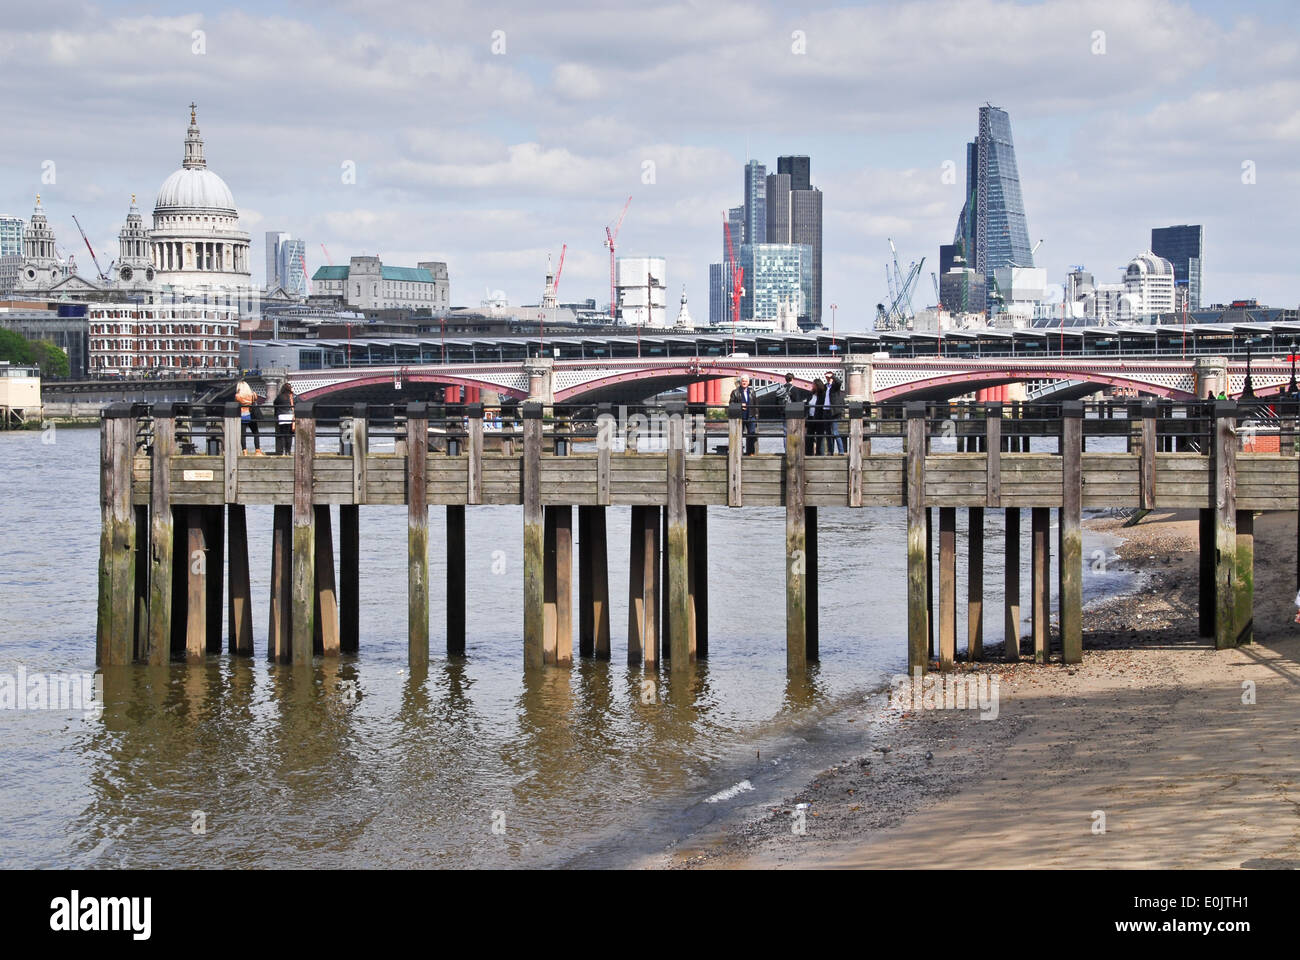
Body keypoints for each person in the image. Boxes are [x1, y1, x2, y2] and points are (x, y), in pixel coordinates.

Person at [729, 375, 759, 455]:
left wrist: (756, 417)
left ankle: (750, 452)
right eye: (743, 381)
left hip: (751, 416)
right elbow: (731, 404)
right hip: (740, 417)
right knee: (738, 435)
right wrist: (740, 405)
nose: (744, 382)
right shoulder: (735, 392)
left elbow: (756, 405)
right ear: (740, 382)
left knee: (751, 435)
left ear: (748, 382)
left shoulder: (752, 391)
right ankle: (739, 452)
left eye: (746, 381)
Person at [234, 379, 264, 455]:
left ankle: (244, 451)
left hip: (243, 415)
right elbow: (255, 399)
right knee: (256, 433)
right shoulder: (253, 394)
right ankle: (258, 450)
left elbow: (236, 403)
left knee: (243, 434)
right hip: (252, 415)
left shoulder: (237, 396)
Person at [824, 370, 846, 454]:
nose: (827, 378)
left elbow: (839, 382)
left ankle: (841, 451)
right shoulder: (825, 386)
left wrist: (832, 376)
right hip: (825, 411)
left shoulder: (835, 387)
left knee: (835, 432)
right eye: (826, 377)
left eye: (828, 377)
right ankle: (830, 451)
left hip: (833, 411)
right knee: (828, 433)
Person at [806, 377, 827, 455]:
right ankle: (808, 453)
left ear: (817, 385)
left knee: (820, 437)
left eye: (813, 384)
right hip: (810, 418)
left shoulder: (823, 395)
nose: (812, 386)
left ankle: (820, 454)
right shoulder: (810, 394)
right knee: (809, 437)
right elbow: (807, 405)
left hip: (819, 418)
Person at [274, 381, 295, 455]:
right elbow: (298, 402)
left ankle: (282, 451)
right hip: (290, 417)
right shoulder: (292, 396)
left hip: (281, 416)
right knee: (289, 435)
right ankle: (288, 451)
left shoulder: (280, 396)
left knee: (282, 434)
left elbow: (275, 403)